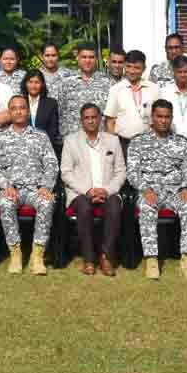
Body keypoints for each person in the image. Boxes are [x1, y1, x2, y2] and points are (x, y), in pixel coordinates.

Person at [128, 99, 187, 281]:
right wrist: (145, 189)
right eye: (159, 116)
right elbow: (133, 173)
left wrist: (186, 187)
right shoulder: (138, 142)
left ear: (171, 118)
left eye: (167, 117)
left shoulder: (181, 143)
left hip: (176, 192)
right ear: (152, 118)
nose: (163, 120)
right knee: (146, 207)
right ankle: (151, 260)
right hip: (151, 191)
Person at [0, 96, 57, 276]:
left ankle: (37, 255)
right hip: (12, 189)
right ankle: (16, 253)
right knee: (5, 203)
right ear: (9, 112)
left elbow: (51, 164)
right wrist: (5, 185)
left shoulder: (41, 136)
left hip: (36, 189)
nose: (18, 111)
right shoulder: (0, 138)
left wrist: (45, 186)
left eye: (22, 108)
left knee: (47, 202)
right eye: (14, 108)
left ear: (28, 111)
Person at [59, 103, 125, 276]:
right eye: (86, 118)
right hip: (81, 192)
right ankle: (88, 259)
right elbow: (66, 173)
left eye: (94, 117)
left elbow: (120, 172)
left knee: (114, 206)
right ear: (81, 121)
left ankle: (105, 256)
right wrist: (88, 190)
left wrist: (107, 190)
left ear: (100, 119)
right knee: (84, 207)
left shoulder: (113, 140)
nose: (90, 121)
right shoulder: (71, 141)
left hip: (107, 190)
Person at [104, 49, 156, 153]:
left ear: (144, 68)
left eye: (137, 68)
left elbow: (158, 118)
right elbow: (110, 121)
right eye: (128, 67)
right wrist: (112, 147)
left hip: (149, 144)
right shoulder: (116, 90)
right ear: (124, 66)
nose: (132, 71)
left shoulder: (154, 89)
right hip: (123, 144)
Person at [58, 46, 113, 139]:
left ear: (96, 59)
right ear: (78, 58)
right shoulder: (66, 82)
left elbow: (111, 115)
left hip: (99, 139)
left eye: (91, 57)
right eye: (84, 57)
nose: (88, 61)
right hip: (73, 139)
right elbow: (60, 112)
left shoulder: (108, 83)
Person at [21, 69, 60, 151]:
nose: (33, 85)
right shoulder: (20, 102)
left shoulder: (51, 103)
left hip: (45, 147)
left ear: (42, 84)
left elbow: (53, 131)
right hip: (22, 147)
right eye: (30, 82)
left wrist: (42, 145)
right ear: (25, 83)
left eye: (37, 82)